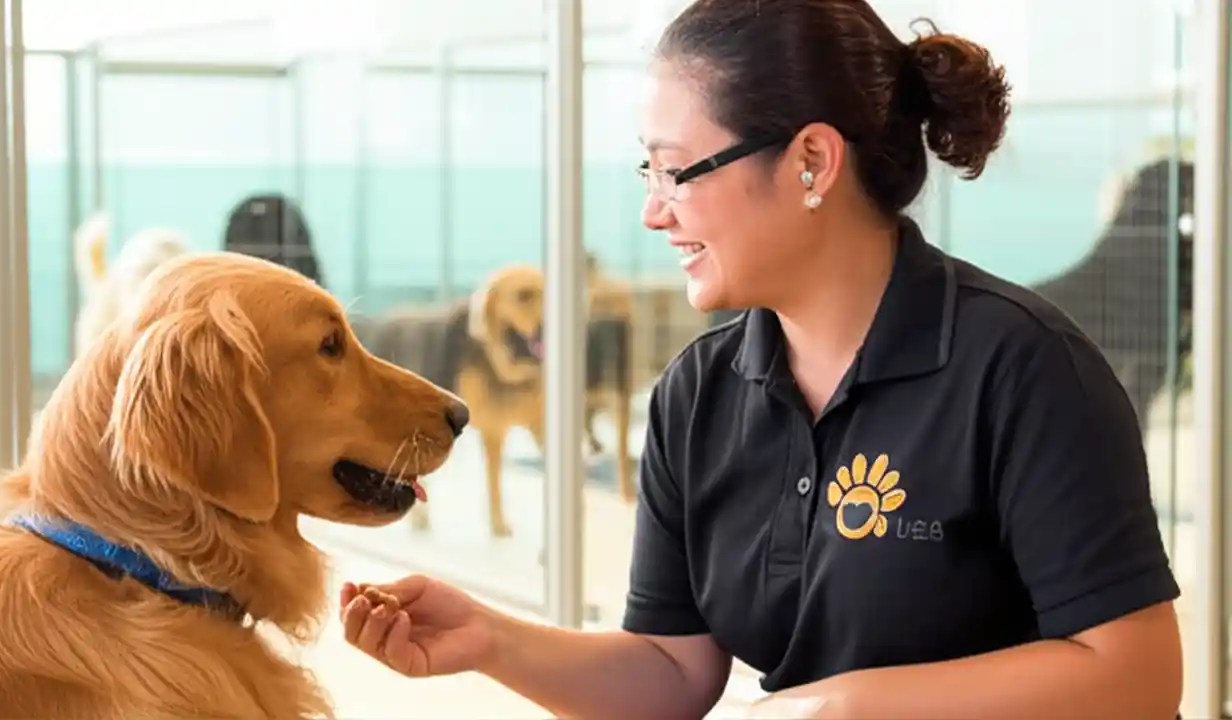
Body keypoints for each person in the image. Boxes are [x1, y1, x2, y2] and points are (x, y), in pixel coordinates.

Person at [340, 1, 1184, 717]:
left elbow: (1140, 675)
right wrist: (492, 639)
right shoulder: (695, 395)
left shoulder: (1025, 370)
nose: (653, 213)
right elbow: (674, 671)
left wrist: (844, 705)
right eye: (647, 170)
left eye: (676, 172)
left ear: (812, 161)